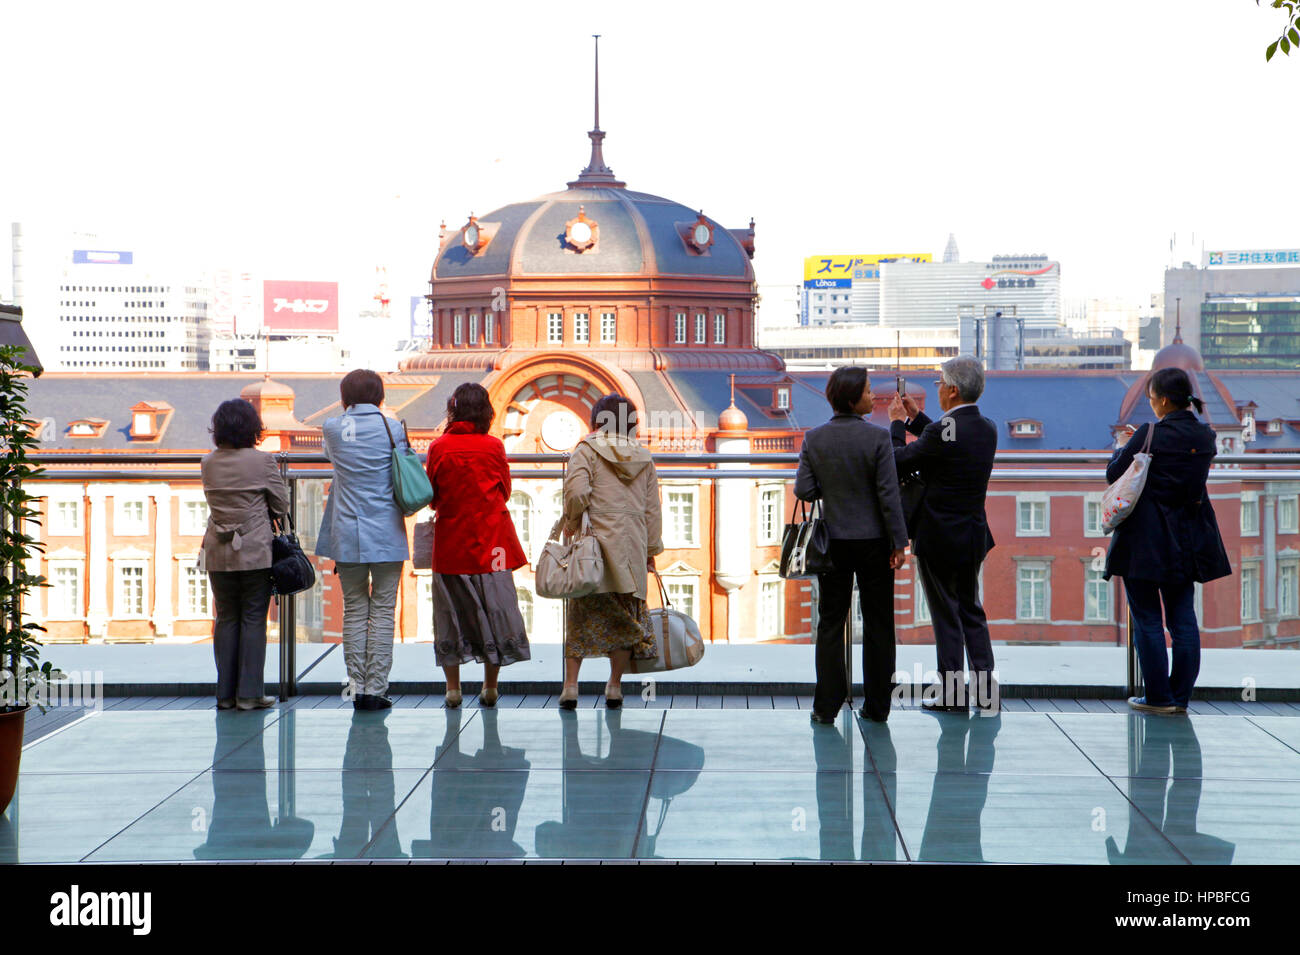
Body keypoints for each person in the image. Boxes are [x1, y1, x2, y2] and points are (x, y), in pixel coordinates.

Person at [1104, 366, 1231, 715]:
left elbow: (1114, 474)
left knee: (1147, 618)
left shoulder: (1149, 434)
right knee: (1183, 619)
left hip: (1144, 541)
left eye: (1151, 399)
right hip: (1188, 539)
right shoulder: (1205, 437)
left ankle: (1157, 698)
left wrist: (1121, 447)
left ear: (1161, 400)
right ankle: (1180, 698)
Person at [794, 366, 908, 725]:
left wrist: (831, 486)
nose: (873, 396)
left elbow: (804, 491)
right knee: (878, 625)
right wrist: (899, 542)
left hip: (834, 543)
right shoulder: (877, 439)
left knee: (830, 622)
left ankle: (825, 706)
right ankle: (877, 708)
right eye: (869, 391)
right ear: (852, 397)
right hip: (874, 542)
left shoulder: (814, 438)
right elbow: (889, 495)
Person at [888, 354, 998, 712]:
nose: (937, 389)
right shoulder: (987, 427)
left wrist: (896, 425)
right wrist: (917, 419)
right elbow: (946, 439)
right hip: (972, 534)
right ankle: (984, 689)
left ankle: (951, 693)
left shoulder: (942, 433)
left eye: (938, 384)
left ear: (951, 390)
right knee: (971, 609)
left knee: (945, 615)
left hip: (937, 537)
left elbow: (899, 460)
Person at [424, 382, 530, 708]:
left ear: (453, 410)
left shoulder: (438, 447)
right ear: (486, 412)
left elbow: (432, 497)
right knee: (494, 611)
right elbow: (506, 491)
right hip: (492, 544)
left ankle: (453, 690)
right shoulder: (494, 447)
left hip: (451, 544)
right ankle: (490, 687)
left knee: (450, 615)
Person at [558, 394, 662, 710]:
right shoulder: (644, 458)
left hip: (593, 546)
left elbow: (576, 491)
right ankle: (614, 686)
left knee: (580, 614)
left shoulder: (586, 452)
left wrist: (573, 521)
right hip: (630, 547)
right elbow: (652, 510)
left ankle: (571, 687)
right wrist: (650, 549)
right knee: (624, 618)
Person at [316, 369, 411, 710]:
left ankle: (355, 689)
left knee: (355, 610)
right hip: (387, 532)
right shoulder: (394, 428)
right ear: (380, 397)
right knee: (384, 612)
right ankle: (376, 689)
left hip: (348, 533)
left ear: (344, 398)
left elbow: (331, 457)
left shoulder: (332, 428)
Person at [200, 398, 289, 711]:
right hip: (254, 551)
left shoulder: (207, 462)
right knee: (253, 618)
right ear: (253, 428)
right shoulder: (262, 462)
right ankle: (250, 694)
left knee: (225, 617)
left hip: (217, 550)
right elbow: (281, 506)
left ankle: (225, 695)